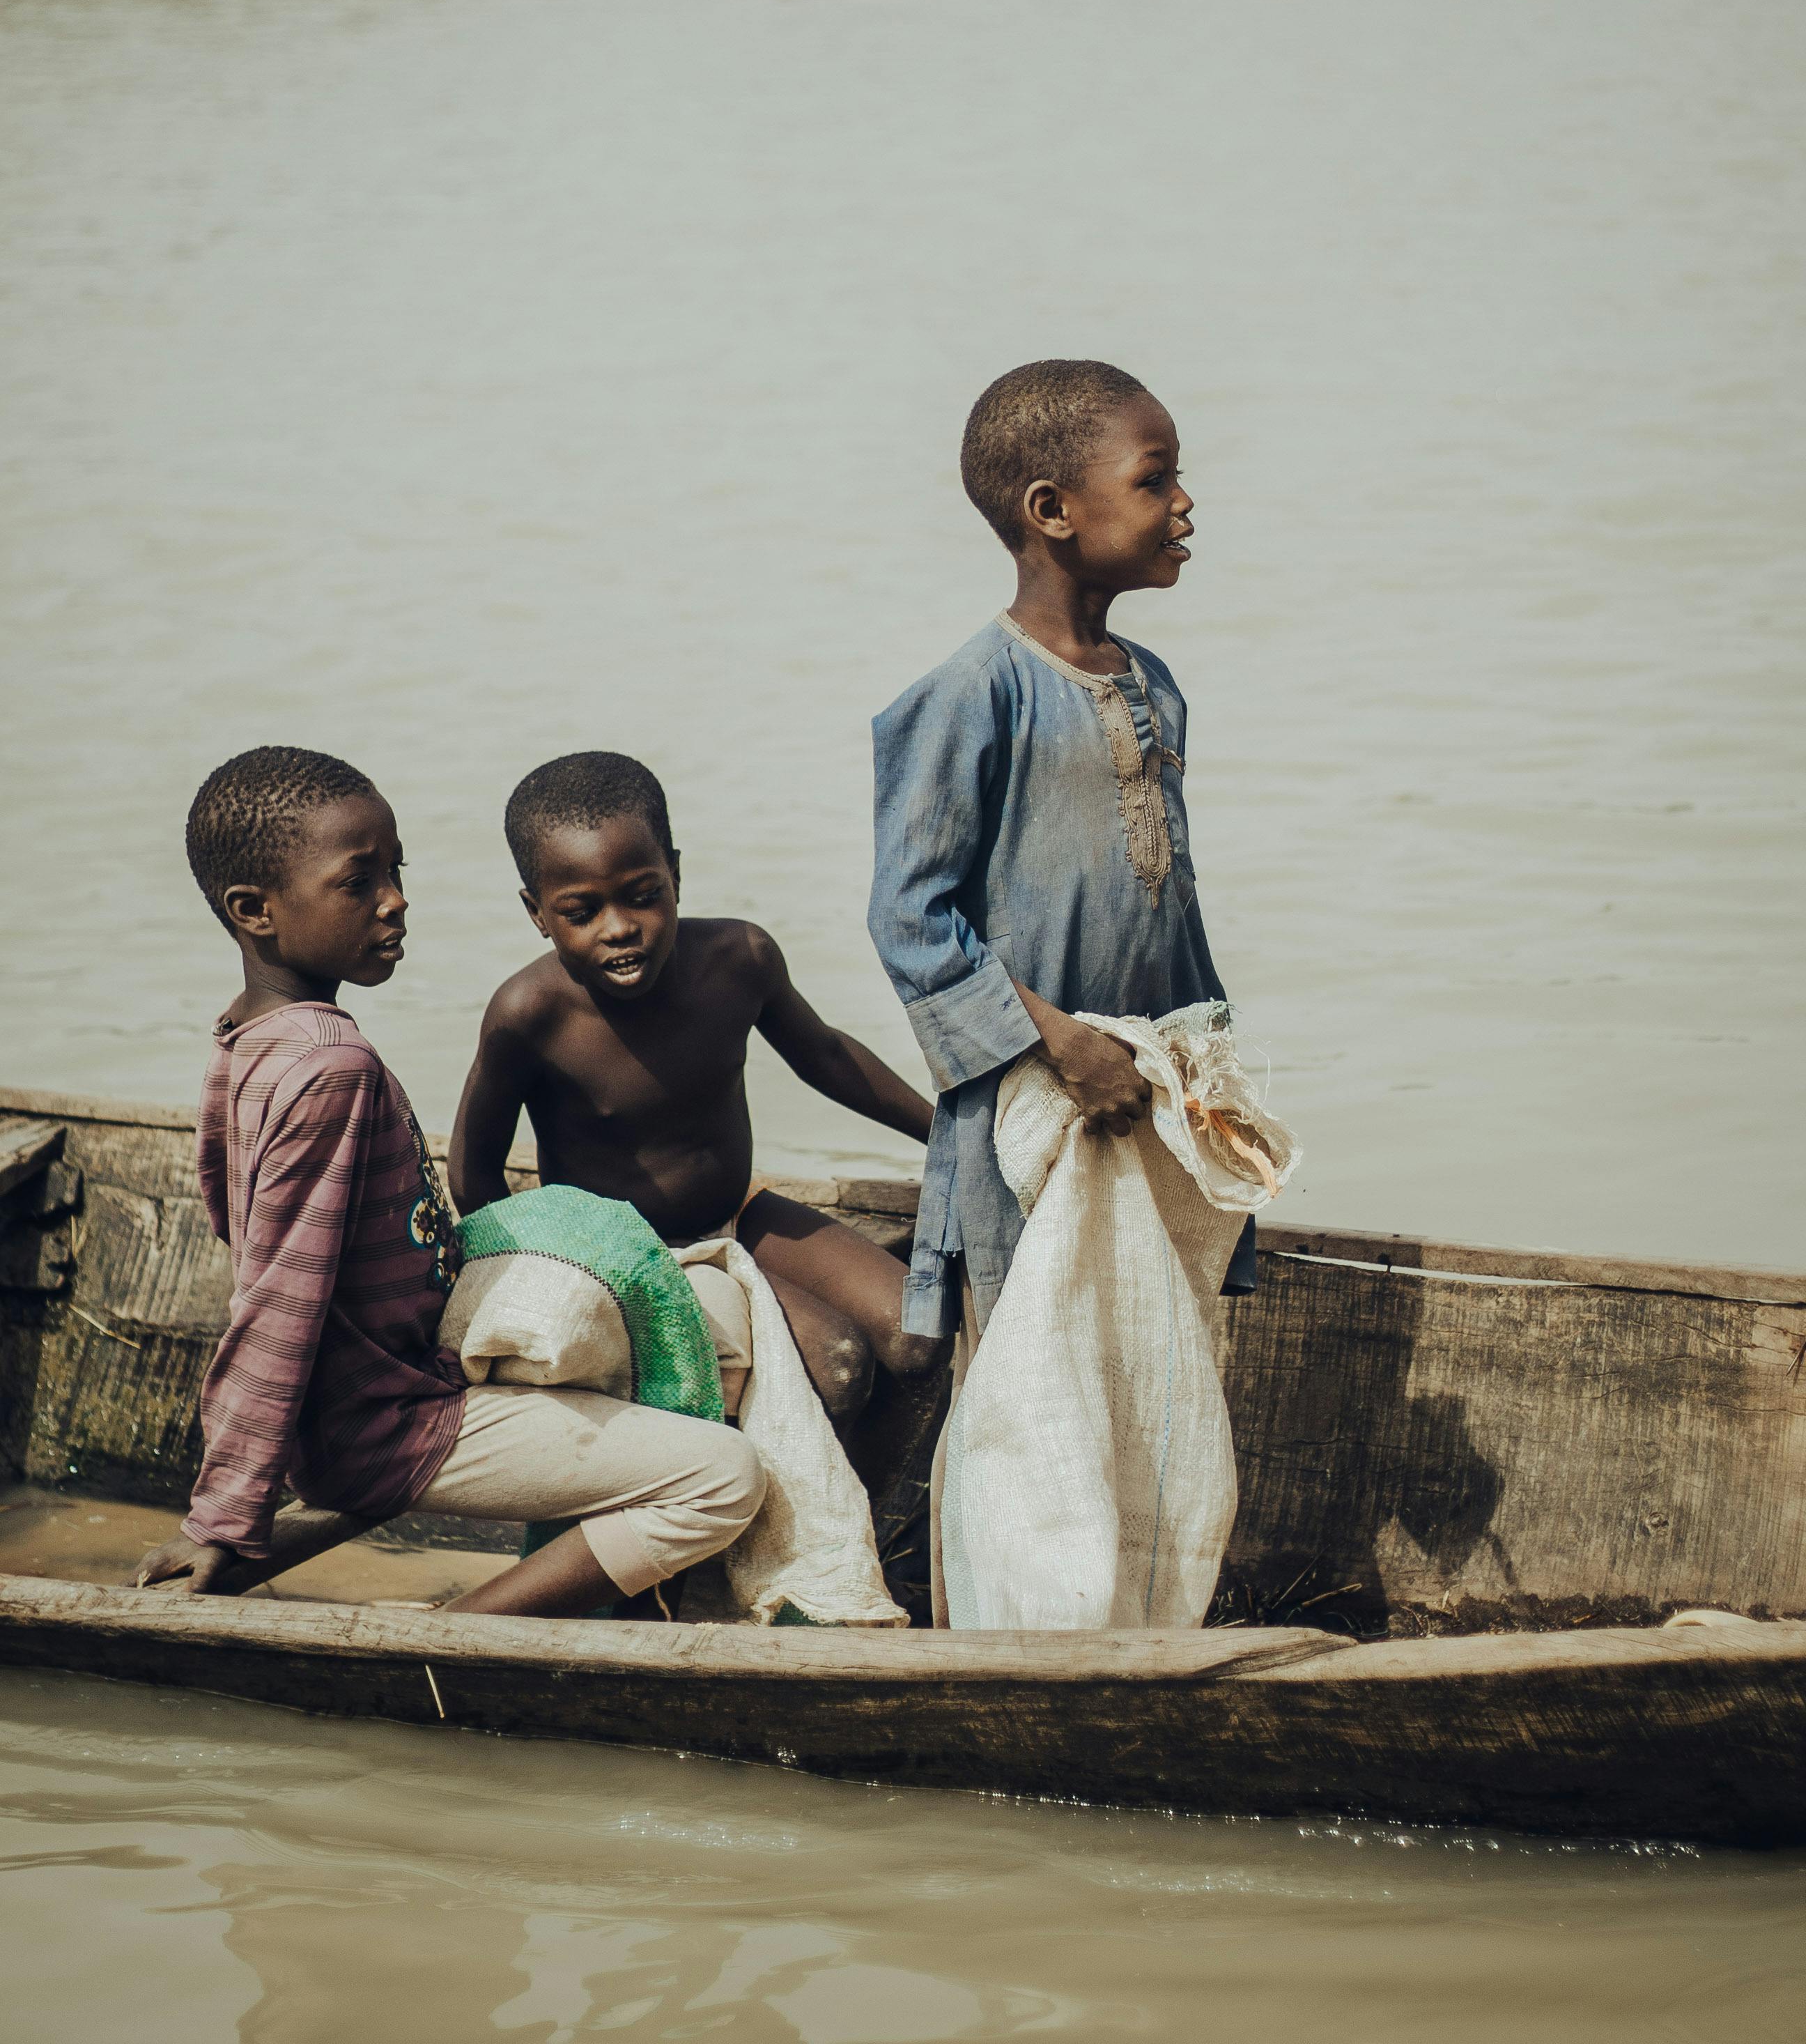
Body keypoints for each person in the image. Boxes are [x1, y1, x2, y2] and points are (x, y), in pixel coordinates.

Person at [134, 744, 764, 1617]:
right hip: (388, 1422)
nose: (395, 900)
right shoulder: (331, 1065)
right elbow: (275, 1303)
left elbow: (226, 1209)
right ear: (255, 911)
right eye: (360, 882)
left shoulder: (246, 1040)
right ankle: (463, 1636)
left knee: (673, 1336)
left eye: (397, 870)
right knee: (725, 1478)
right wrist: (223, 1515)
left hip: (393, 1382)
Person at [867, 358, 1258, 1370]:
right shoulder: (971, 695)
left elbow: (1167, 906)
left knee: (1153, 1372)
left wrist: (1209, 1075)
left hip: (1150, 1102)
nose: (1183, 503)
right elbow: (910, 921)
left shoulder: (1153, 686)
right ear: (1052, 509)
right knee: (1030, 1390)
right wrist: (1062, 1047)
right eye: (1154, 479)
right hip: (1029, 1109)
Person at [449, 751, 949, 1439]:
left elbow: (827, 1057)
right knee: (838, 1365)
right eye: (582, 911)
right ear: (537, 912)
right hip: (637, 1259)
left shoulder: (740, 960)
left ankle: (855, 1532)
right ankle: (754, 1524)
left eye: (643, 894)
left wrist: (948, 1136)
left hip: (742, 1213)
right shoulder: (529, 1015)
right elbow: (472, 1177)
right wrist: (557, 1277)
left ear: (675, 874)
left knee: (920, 1337)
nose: (620, 926)